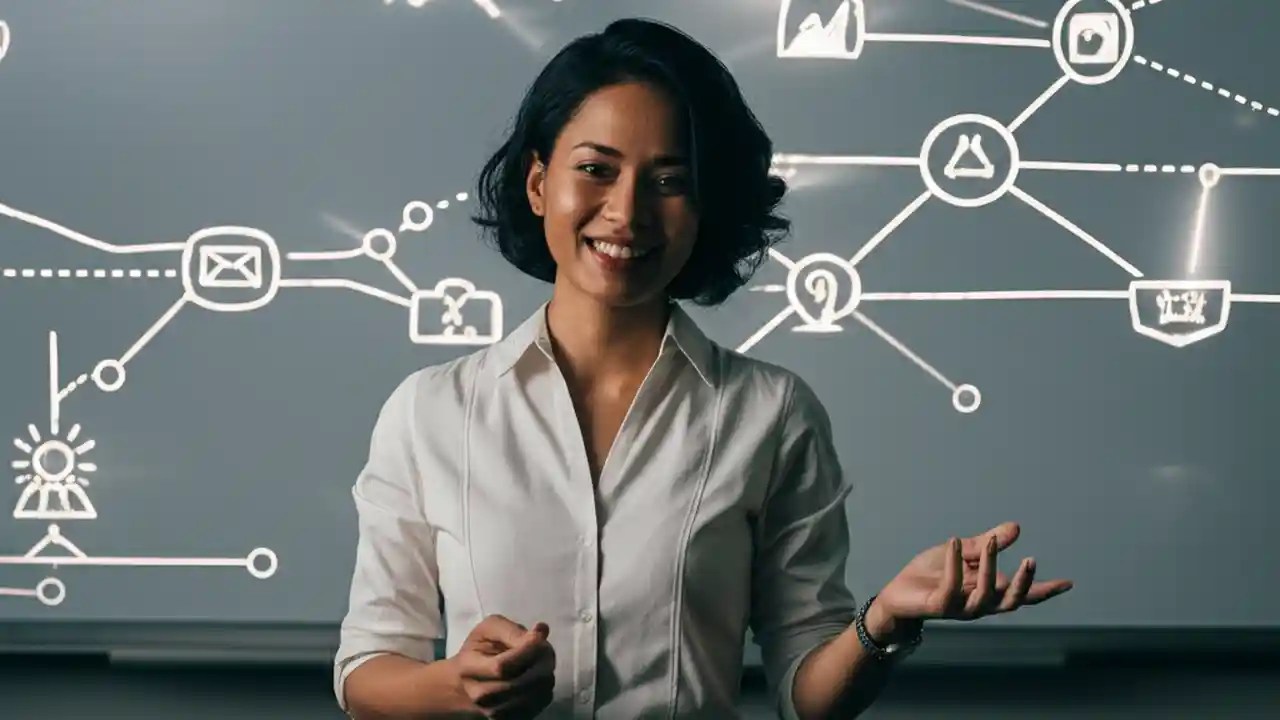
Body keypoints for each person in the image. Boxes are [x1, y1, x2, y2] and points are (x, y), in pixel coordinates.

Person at [334, 17, 1074, 720]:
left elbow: (805, 696)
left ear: (705, 205)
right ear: (538, 184)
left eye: (668, 180)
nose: (626, 213)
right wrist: (454, 689)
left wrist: (883, 623)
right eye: (595, 169)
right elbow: (367, 669)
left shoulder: (772, 413)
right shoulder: (430, 411)